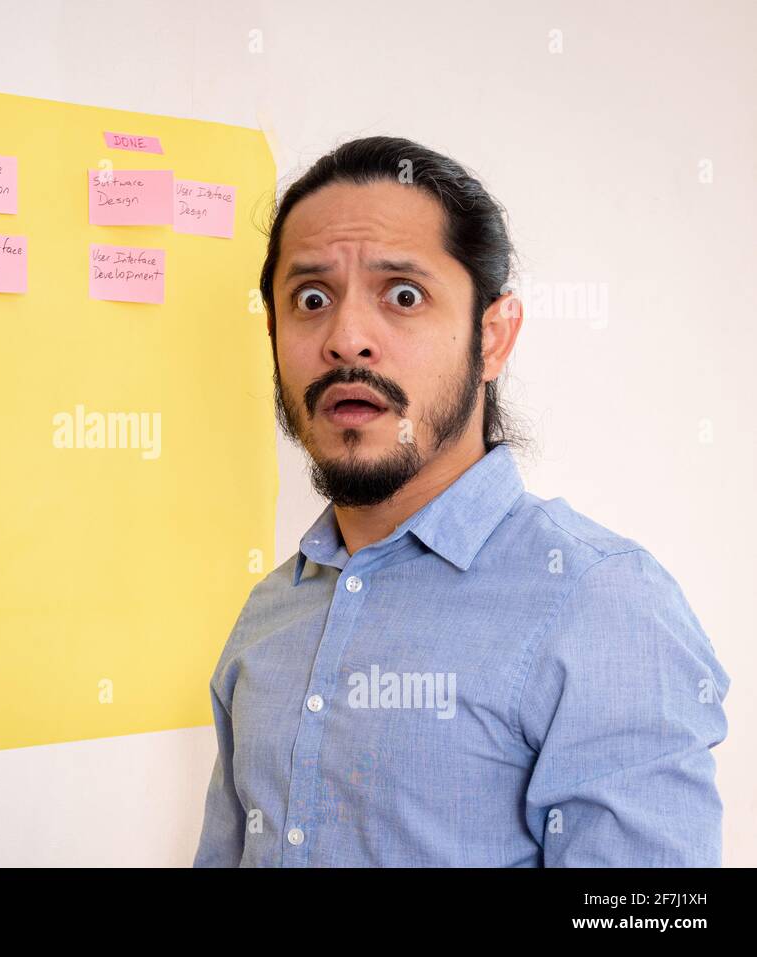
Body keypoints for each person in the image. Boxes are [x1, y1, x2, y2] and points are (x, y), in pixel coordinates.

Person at [193, 136, 730, 867]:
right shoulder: (269, 611)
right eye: (310, 298)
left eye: (404, 295)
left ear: (494, 335)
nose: (347, 338)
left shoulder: (599, 603)